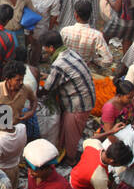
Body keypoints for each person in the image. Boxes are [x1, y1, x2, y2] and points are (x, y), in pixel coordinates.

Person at [41, 31, 96, 164]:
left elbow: (47, 89)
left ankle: (70, 159)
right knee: (66, 128)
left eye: (45, 47)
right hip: (86, 97)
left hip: (79, 104)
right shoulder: (70, 52)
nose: (44, 50)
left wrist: (34, 95)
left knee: (71, 134)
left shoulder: (58, 64)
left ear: (51, 48)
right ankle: (64, 151)